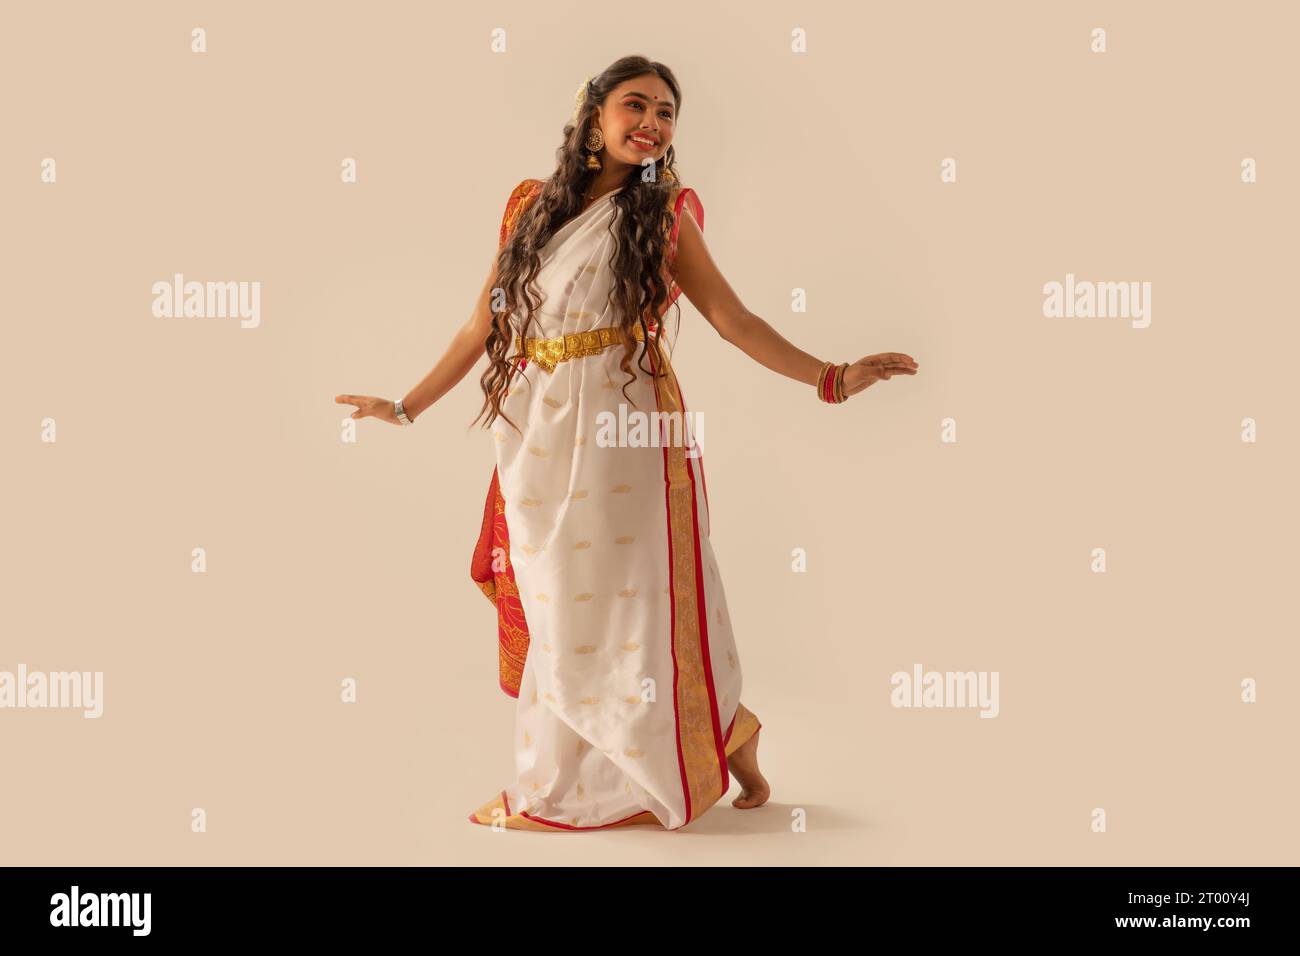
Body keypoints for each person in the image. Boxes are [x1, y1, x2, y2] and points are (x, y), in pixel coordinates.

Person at [335, 56, 918, 832]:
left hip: (626, 422)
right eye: (635, 105)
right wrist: (405, 406)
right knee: (556, 598)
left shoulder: (666, 212)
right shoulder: (529, 207)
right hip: (537, 426)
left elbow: (733, 320)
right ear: (594, 115)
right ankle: (725, 733)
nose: (651, 123)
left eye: (667, 113)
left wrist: (832, 377)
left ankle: (587, 779)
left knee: (632, 600)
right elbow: (484, 322)